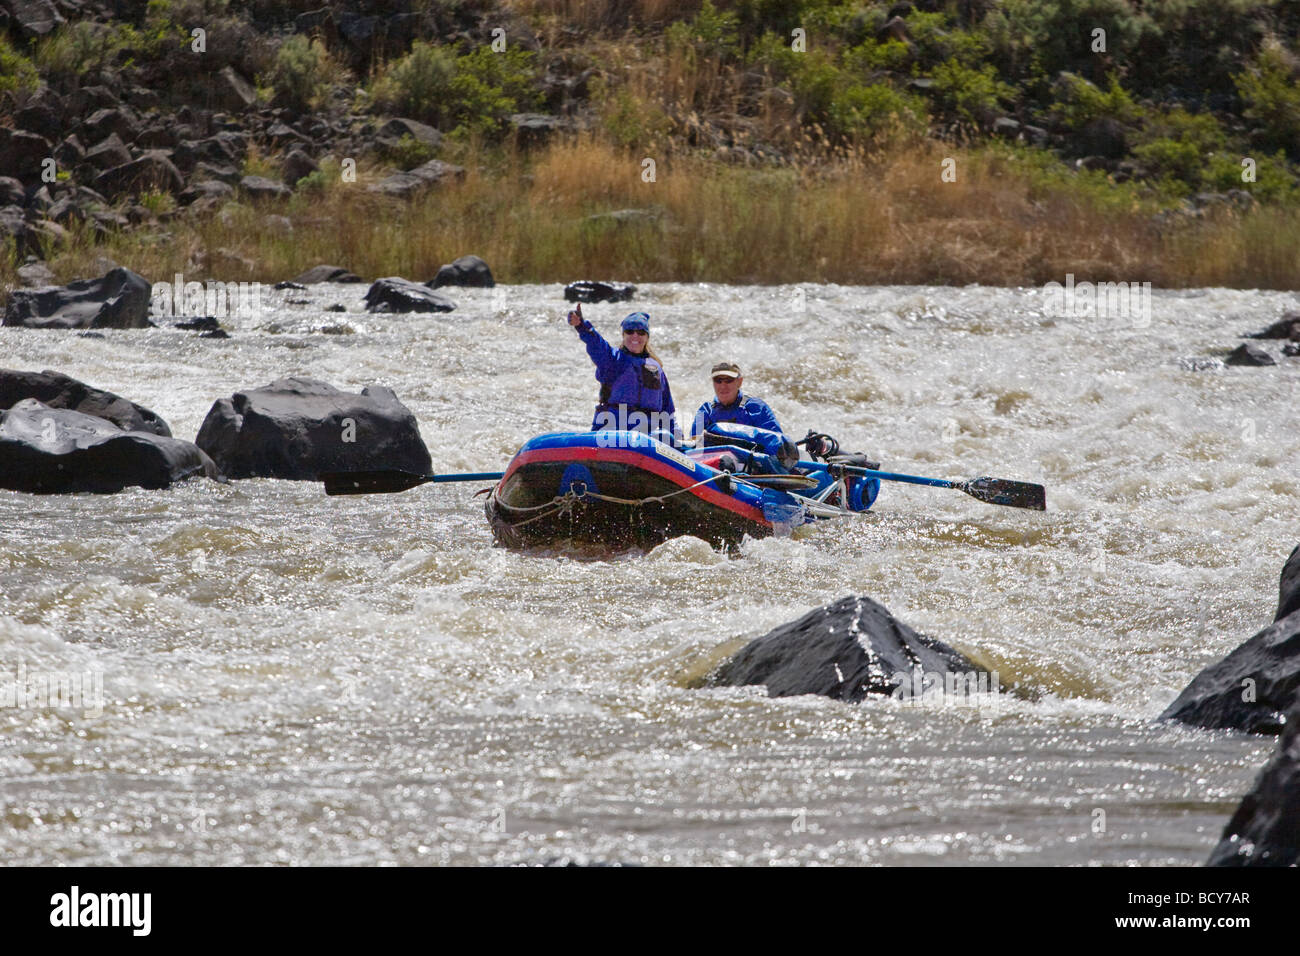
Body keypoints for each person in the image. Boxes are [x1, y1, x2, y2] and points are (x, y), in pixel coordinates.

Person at [568, 305, 679, 439]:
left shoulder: (656, 369)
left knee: (667, 437)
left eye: (641, 332)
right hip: (611, 433)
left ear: (647, 337)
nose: (635, 336)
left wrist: (678, 441)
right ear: (623, 334)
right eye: (630, 331)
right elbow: (596, 344)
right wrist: (581, 326)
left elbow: (668, 411)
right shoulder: (612, 360)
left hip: (645, 438)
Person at [690, 362, 784, 440]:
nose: (723, 386)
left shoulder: (756, 408)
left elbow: (776, 441)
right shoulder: (705, 411)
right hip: (713, 460)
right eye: (718, 380)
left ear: (739, 382)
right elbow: (693, 447)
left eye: (729, 380)